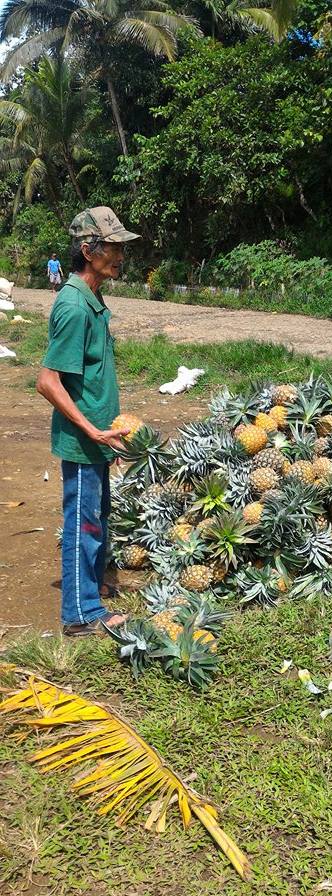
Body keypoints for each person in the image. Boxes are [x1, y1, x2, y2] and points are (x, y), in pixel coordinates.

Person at [37, 207, 141, 636]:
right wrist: (92, 430)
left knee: (96, 518)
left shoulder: (93, 299)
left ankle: (90, 589)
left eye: (121, 248)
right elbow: (47, 381)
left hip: (98, 438)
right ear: (88, 250)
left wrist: (105, 431)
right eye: (112, 247)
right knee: (84, 524)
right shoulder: (75, 306)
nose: (120, 256)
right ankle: (80, 614)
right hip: (84, 441)